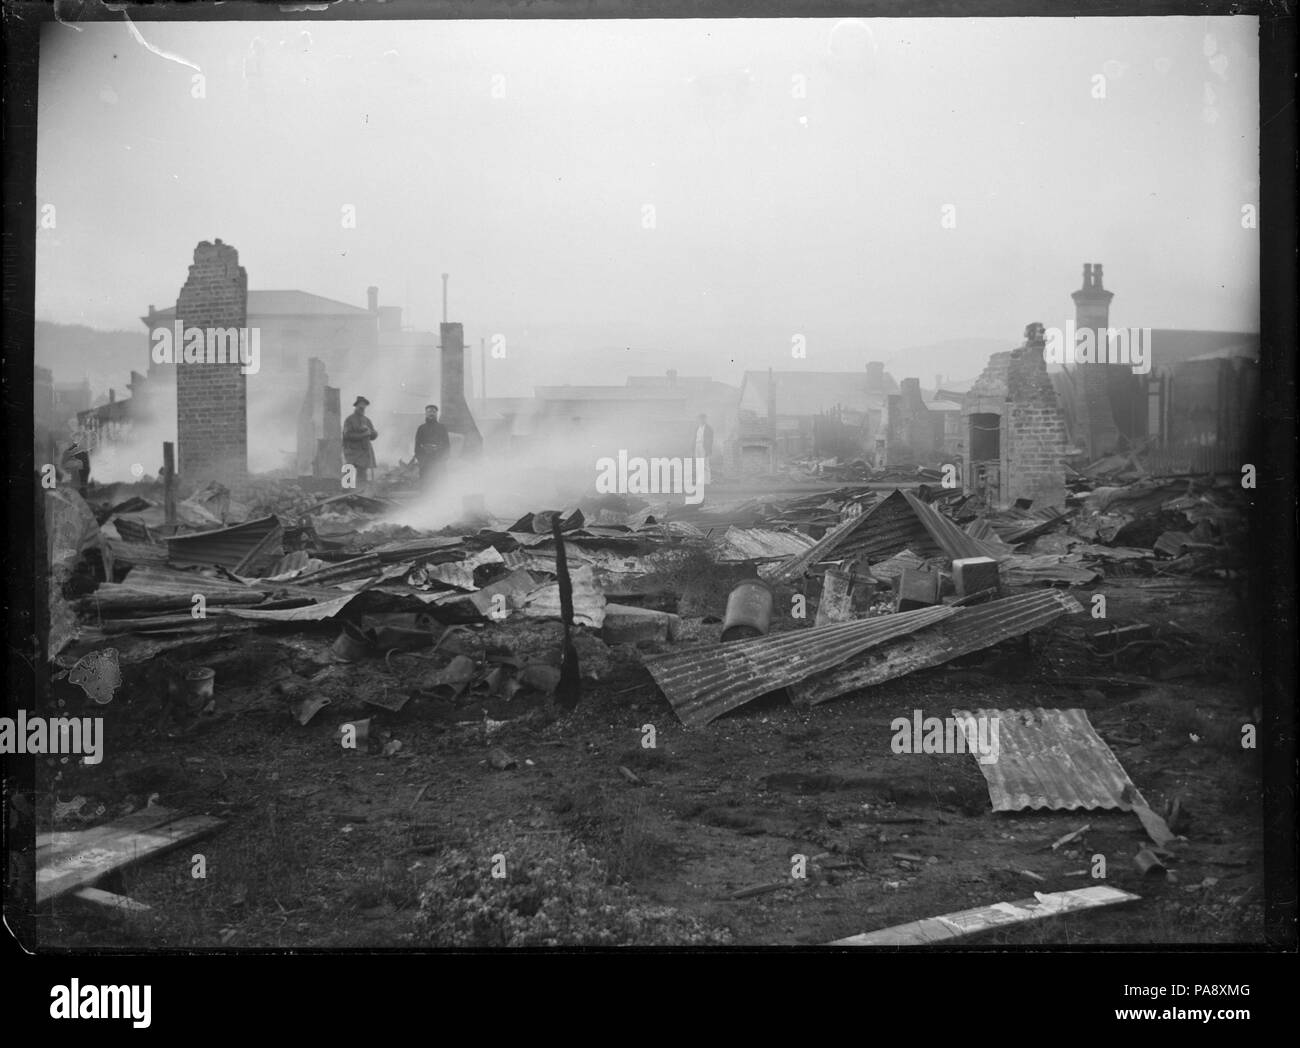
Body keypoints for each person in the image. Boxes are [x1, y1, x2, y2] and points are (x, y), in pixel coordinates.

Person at [342, 396, 378, 484]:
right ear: (356, 406)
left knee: (362, 474)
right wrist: (363, 435)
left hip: (364, 452)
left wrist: (373, 433)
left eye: (364, 405)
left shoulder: (367, 420)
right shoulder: (349, 420)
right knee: (349, 472)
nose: (362, 407)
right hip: (352, 451)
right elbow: (347, 435)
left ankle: (361, 492)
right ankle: (347, 492)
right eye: (361, 405)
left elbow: (373, 435)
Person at [413, 404, 450, 489]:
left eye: (434, 411)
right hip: (425, 462)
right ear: (425, 413)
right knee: (426, 486)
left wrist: (442, 458)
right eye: (429, 411)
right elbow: (417, 446)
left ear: (437, 414)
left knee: (440, 486)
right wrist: (421, 459)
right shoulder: (421, 428)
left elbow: (446, 445)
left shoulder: (442, 428)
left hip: (438, 461)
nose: (431, 413)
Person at [693, 413, 713, 488]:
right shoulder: (697, 428)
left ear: (705, 419)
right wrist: (693, 448)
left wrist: (708, 450)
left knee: (705, 464)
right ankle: (700, 481)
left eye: (703, 418)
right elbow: (694, 438)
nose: (702, 420)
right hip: (697, 445)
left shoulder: (709, 429)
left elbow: (711, 440)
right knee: (698, 464)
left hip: (704, 446)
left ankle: (707, 482)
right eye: (700, 418)